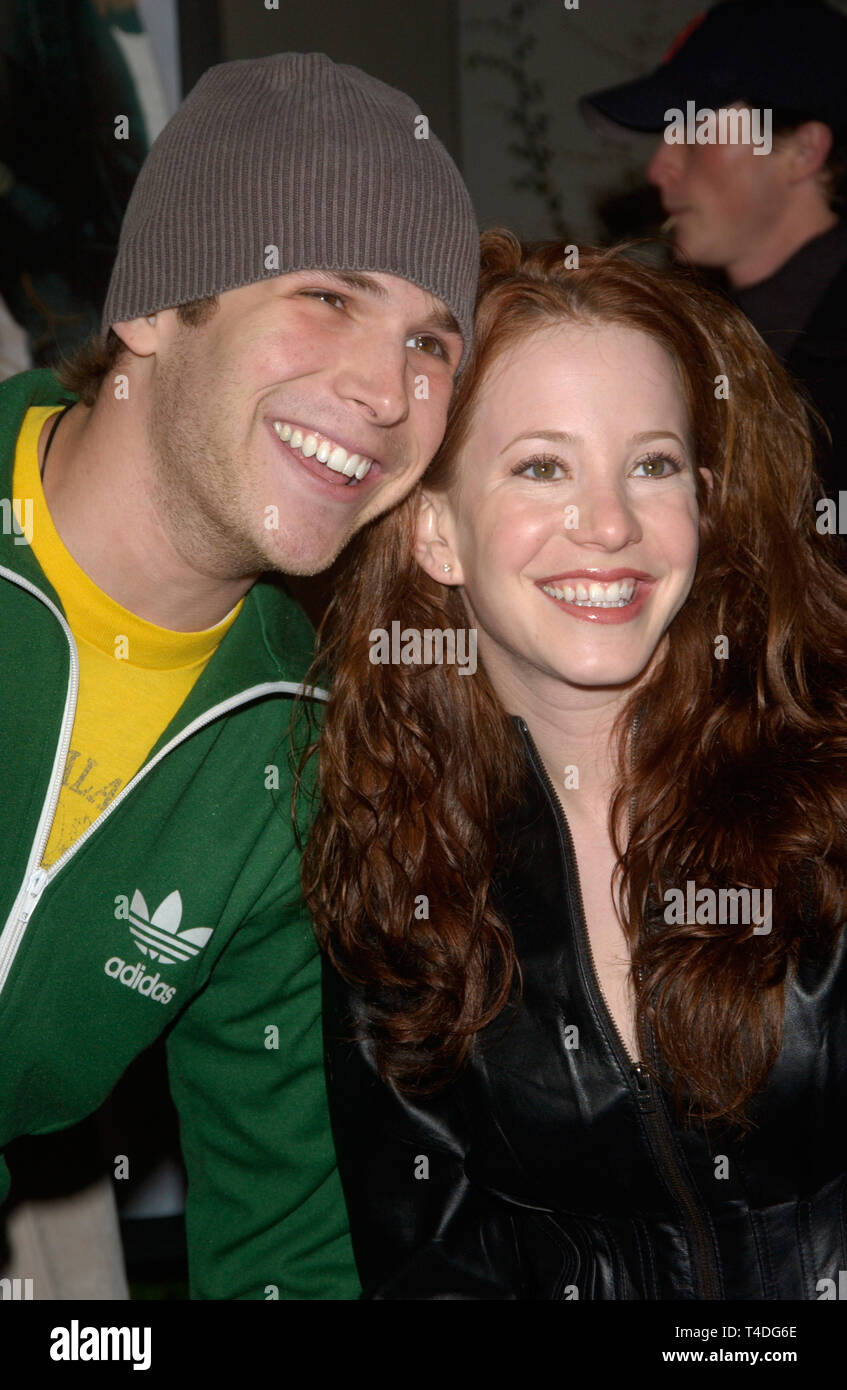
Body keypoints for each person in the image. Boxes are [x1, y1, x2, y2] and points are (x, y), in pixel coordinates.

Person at [0, 50, 478, 1300]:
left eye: (432, 340)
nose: (387, 390)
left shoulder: (300, 752)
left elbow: (283, 1230)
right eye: (326, 294)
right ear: (155, 304)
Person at [306, 230, 847, 1299]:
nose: (606, 523)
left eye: (650, 465)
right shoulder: (396, 850)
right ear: (435, 534)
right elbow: (430, 1262)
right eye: (540, 466)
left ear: (699, 502)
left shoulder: (826, 779)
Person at [581, 0, 847, 496]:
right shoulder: (696, 342)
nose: (659, 168)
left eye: (695, 131)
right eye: (666, 135)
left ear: (802, 151)